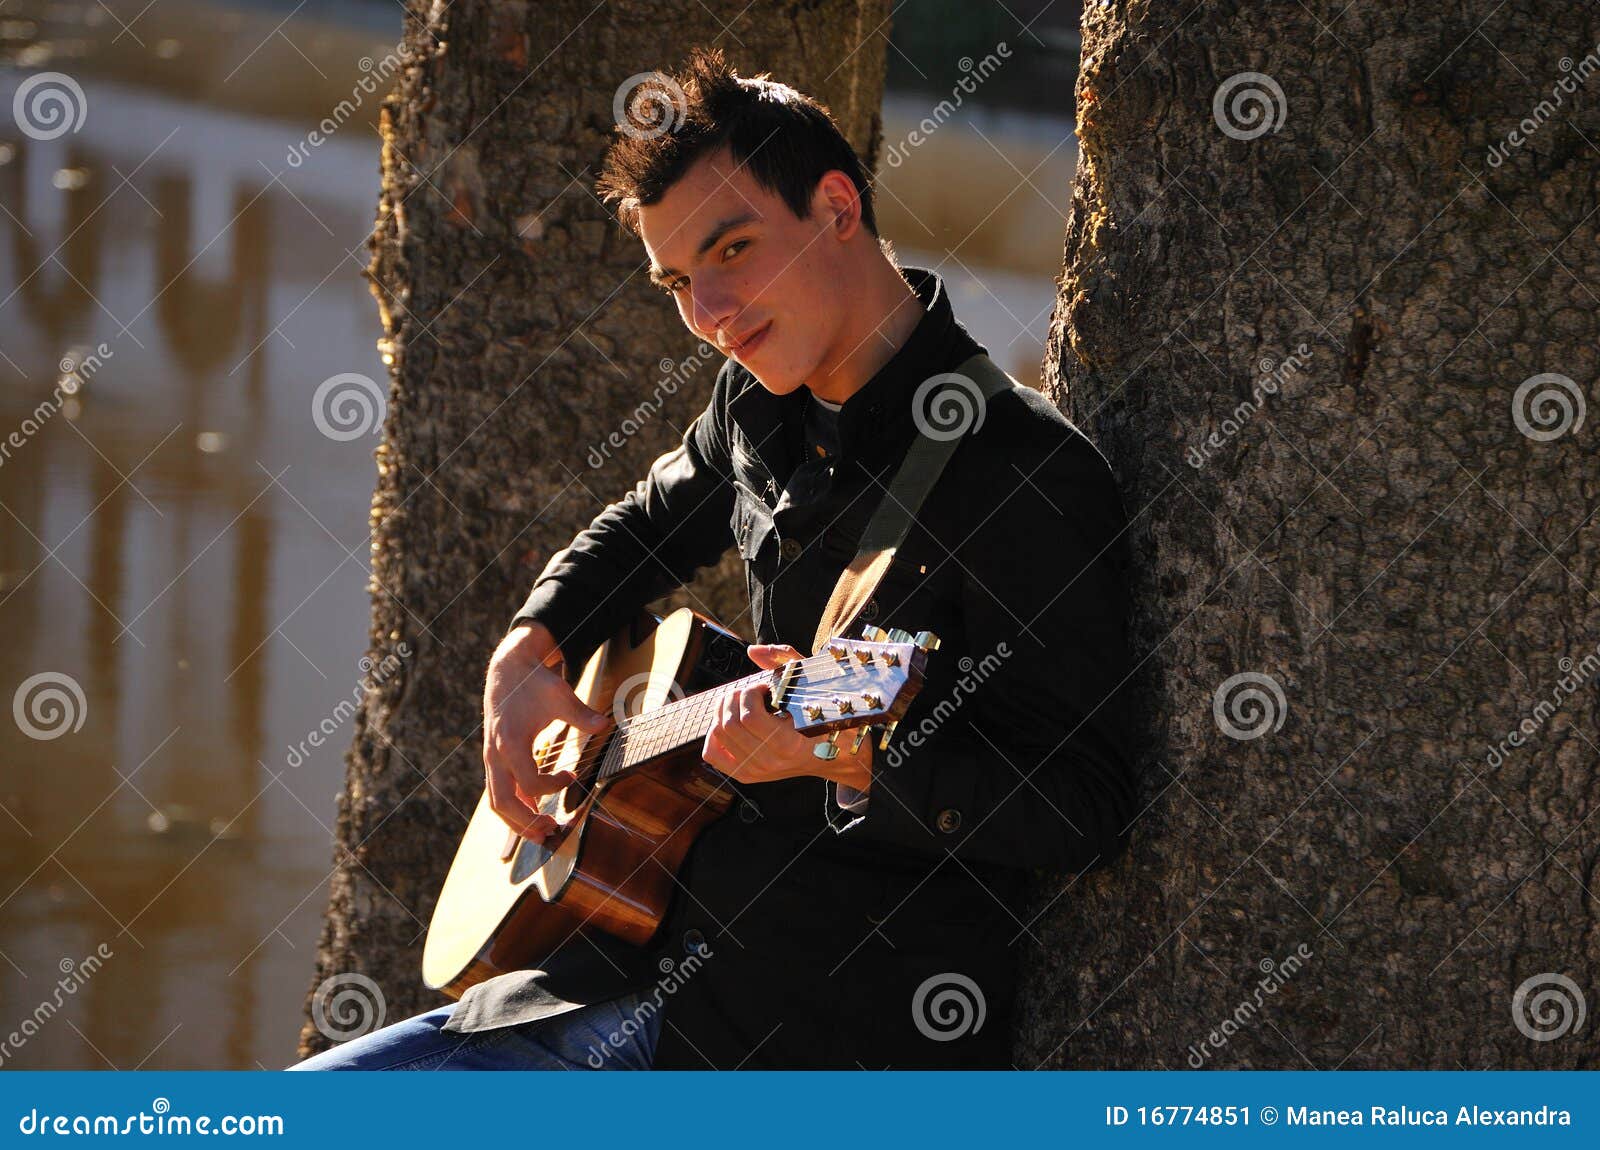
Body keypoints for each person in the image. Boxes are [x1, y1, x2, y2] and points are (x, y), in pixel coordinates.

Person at [294, 45, 1137, 1072]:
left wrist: (852, 756)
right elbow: (647, 523)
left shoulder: (1022, 468)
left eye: (732, 250)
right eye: (679, 282)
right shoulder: (757, 404)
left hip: (813, 1034)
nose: (709, 315)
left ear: (836, 206)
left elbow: (1085, 803)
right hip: (611, 966)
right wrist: (528, 649)